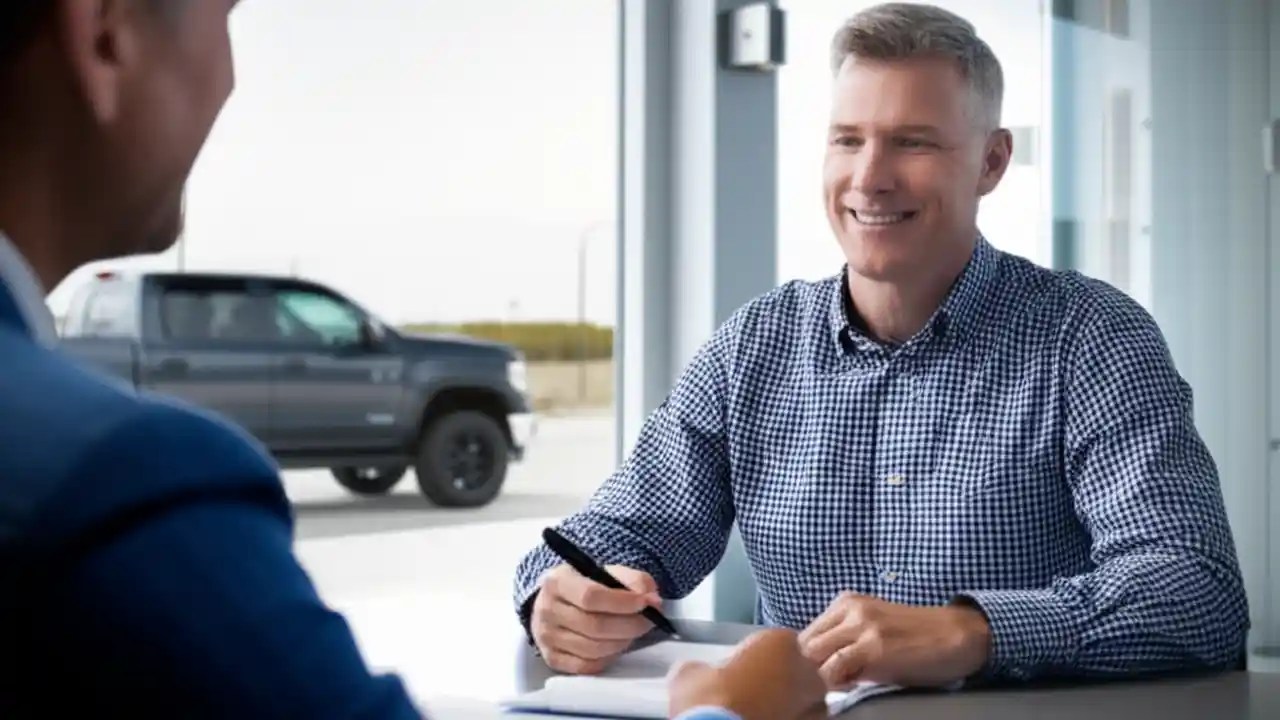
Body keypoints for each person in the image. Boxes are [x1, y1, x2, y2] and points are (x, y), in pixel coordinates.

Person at [0, 1, 825, 718]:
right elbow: (608, 535)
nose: (230, 78)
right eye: (228, 15)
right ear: (103, 32)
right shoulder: (123, 483)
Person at [515, 1, 1250, 690]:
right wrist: (560, 597)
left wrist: (974, 633)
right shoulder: (751, 349)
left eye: (913, 142)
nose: (869, 178)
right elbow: (602, 538)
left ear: (992, 162)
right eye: (847, 140)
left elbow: (1197, 590)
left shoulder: (1089, 339)